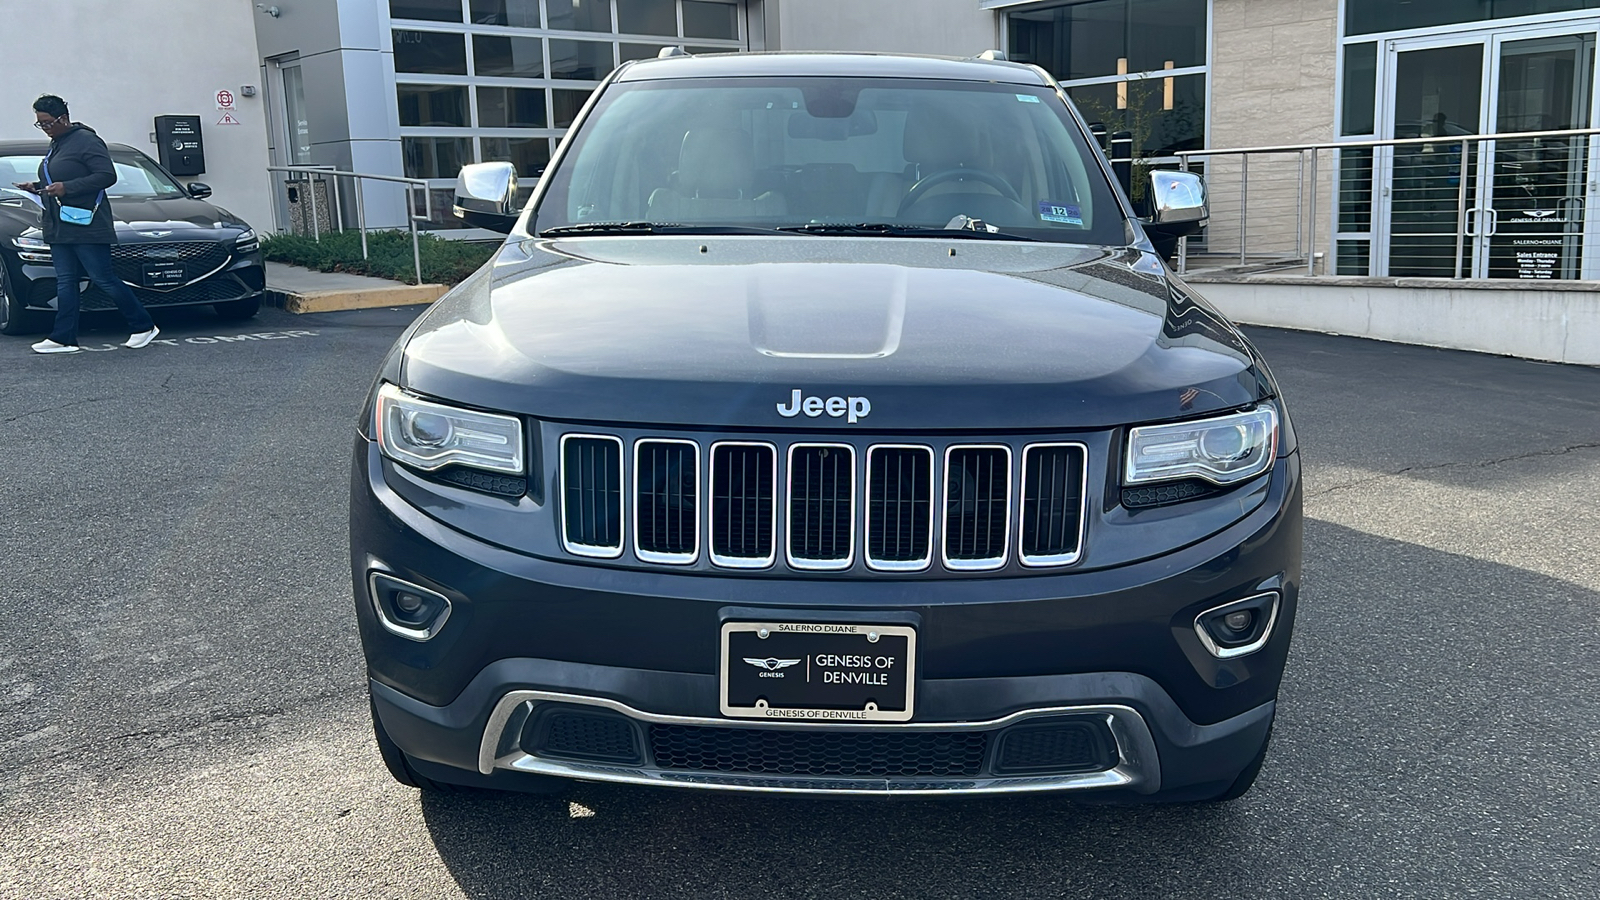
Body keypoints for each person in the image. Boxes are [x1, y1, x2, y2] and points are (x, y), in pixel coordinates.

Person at [11, 94, 158, 354]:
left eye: (47, 123)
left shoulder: (85, 141)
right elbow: (61, 177)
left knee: (103, 278)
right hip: (59, 225)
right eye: (39, 124)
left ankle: (143, 326)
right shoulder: (58, 143)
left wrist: (67, 188)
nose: (44, 128)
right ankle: (63, 338)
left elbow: (106, 175)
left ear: (63, 118)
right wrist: (38, 187)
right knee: (65, 281)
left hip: (87, 224)